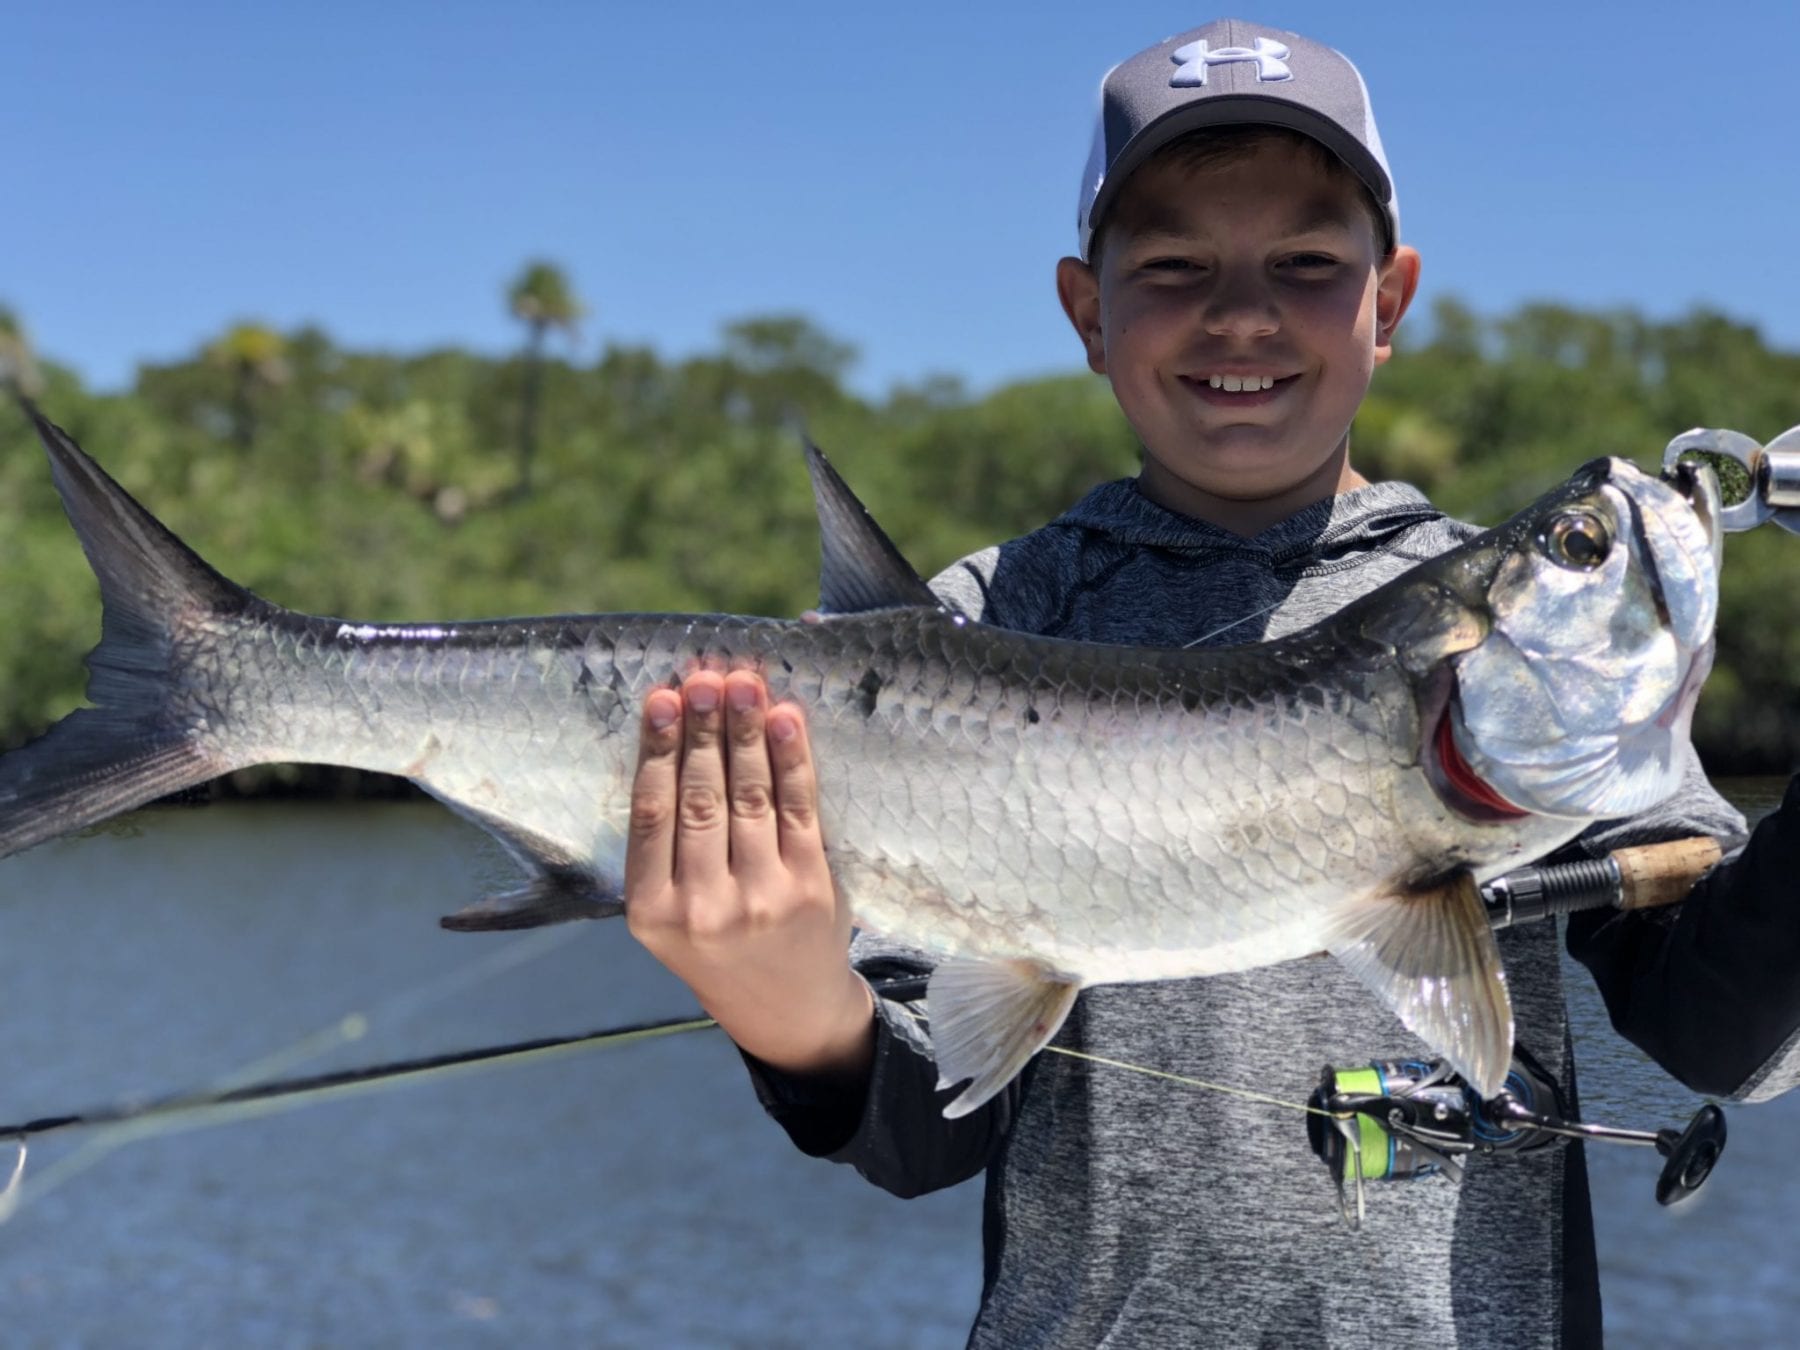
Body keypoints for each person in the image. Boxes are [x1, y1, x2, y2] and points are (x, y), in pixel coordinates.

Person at [620, 19, 1800, 1346]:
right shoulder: (989, 618)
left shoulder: (1527, 655)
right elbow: (919, 1130)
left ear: (1390, 299)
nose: (1244, 313)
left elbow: (1735, 1036)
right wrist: (785, 1001)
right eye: (1176, 265)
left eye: (1306, 262)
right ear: (1087, 308)